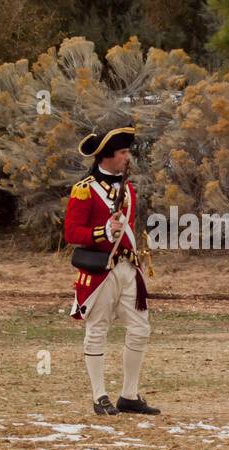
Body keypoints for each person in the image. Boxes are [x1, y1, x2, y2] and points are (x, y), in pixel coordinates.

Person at [64, 125, 159, 415]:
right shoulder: (85, 189)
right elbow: (71, 232)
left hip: (128, 267)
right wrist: (102, 231)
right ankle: (99, 396)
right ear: (107, 156)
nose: (128, 157)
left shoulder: (128, 188)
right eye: (123, 152)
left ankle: (129, 395)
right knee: (97, 331)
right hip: (100, 271)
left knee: (141, 329)